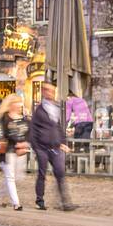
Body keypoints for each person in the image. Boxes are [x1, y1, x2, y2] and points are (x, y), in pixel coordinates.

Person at [29, 79, 76, 211]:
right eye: (48, 90)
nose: (51, 93)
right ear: (43, 92)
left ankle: (65, 202)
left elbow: (58, 127)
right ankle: (40, 200)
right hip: (42, 148)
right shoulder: (39, 110)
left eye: (53, 91)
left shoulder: (55, 108)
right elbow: (32, 130)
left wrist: (63, 142)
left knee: (60, 173)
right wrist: (36, 148)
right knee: (42, 174)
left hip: (55, 147)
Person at [0, 93, 28, 211]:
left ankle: (0, 194)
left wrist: (25, 143)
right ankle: (16, 203)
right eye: (17, 104)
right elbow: (7, 133)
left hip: (20, 151)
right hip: (8, 151)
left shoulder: (23, 117)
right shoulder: (5, 117)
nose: (19, 107)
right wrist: (18, 142)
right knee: (10, 177)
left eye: (20, 105)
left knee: (17, 177)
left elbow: (28, 131)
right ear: (11, 105)